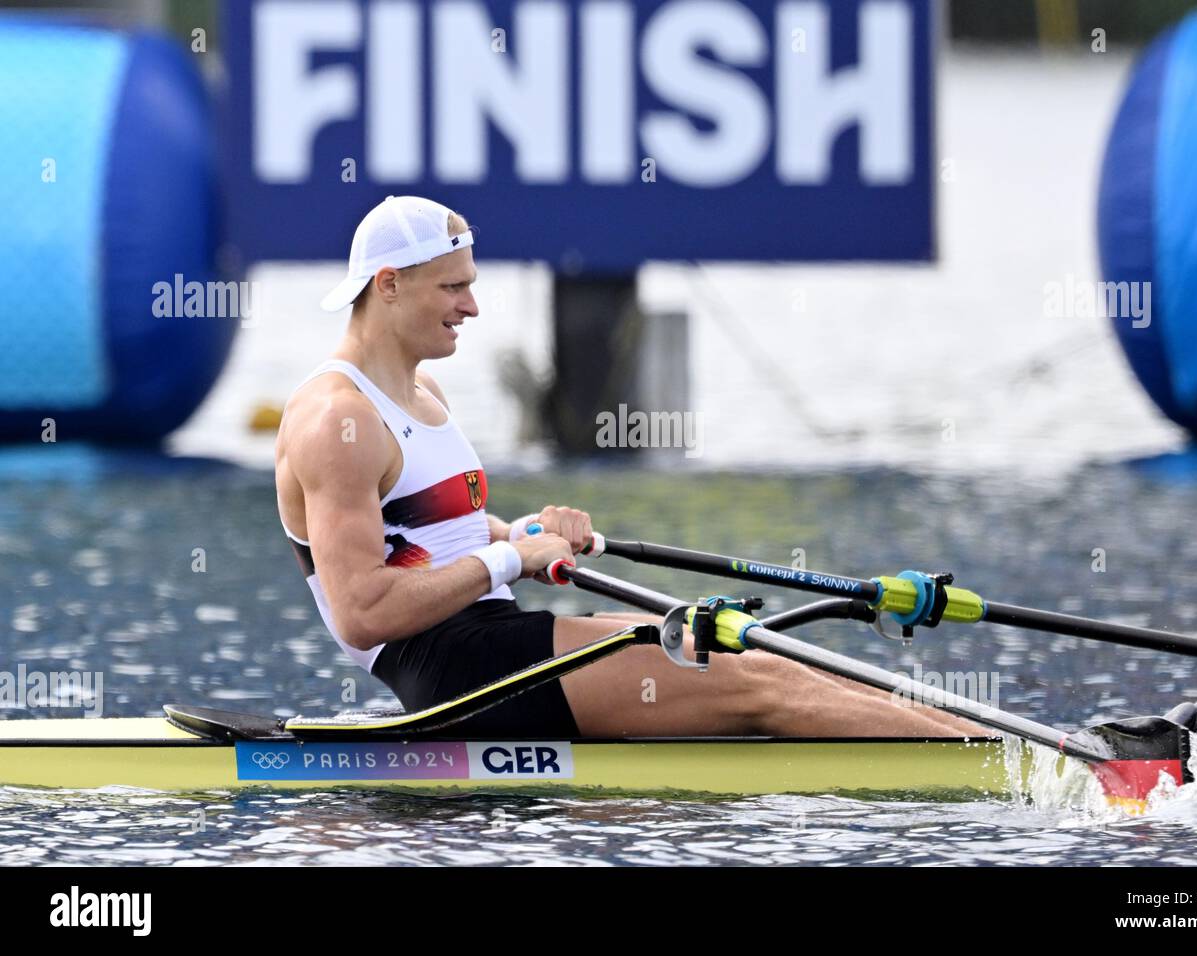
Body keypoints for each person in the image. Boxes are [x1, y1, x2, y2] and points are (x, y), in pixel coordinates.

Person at [274, 195, 985, 739]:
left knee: (765, 663)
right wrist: (512, 560)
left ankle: (992, 743)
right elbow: (363, 611)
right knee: (756, 685)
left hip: (490, 642)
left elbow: (443, 537)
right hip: (453, 675)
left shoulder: (422, 388)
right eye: (452, 288)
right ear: (390, 285)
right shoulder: (336, 422)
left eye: (471, 284)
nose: (473, 306)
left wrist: (525, 531)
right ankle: (1006, 766)